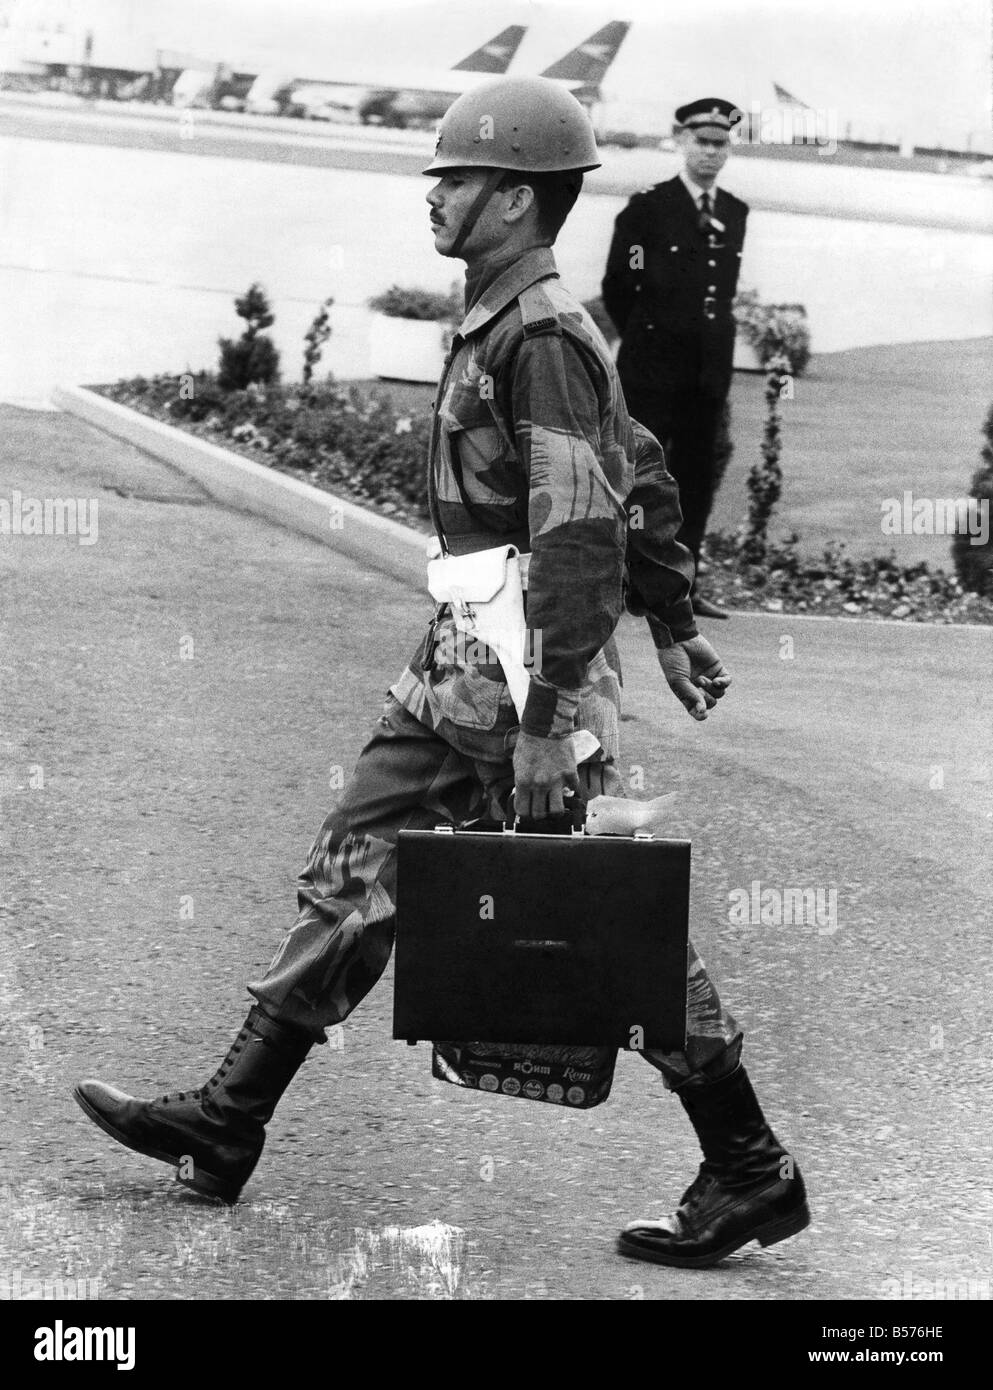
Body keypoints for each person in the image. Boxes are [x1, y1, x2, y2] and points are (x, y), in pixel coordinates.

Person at [74, 75, 808, 1269]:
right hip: (461, 653)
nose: (437, 194)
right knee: (356, 860)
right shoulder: (495, 315)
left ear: (517, 200)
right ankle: (228, 1120)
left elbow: (582, 523)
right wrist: (678, 615)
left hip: (528, 668)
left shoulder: (547, 335)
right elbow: (648, 467)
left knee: (600, 924)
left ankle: (747, 1163)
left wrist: (551, 711)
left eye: (457, 178)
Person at [602, 97, 750, 621]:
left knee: (694, 477)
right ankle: (624, 580)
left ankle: (678, 589)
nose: (711, 152)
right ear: (681, 141)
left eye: (721, 144)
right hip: (650, 368)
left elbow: (721, 294)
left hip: (707, 372)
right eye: (702, 142)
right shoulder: (649, 207)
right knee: (636, 475)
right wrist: (644, 340)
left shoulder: (734, 212)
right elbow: (619, 283)